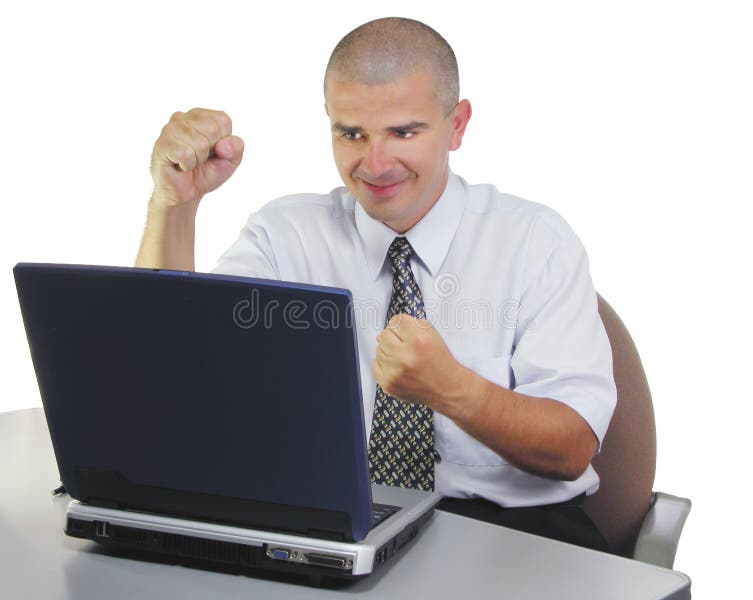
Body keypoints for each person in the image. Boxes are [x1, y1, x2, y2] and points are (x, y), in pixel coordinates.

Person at [135, 17, 616, 552]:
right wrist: (173, 207)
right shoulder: (286, 236)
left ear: (457, 125)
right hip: (330, 525)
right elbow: (172, 375)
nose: (376, 163)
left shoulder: (535, 242)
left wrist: (453, 390)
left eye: (404, 132)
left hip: (511, 534)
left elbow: (572, 446)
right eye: (351, 134)